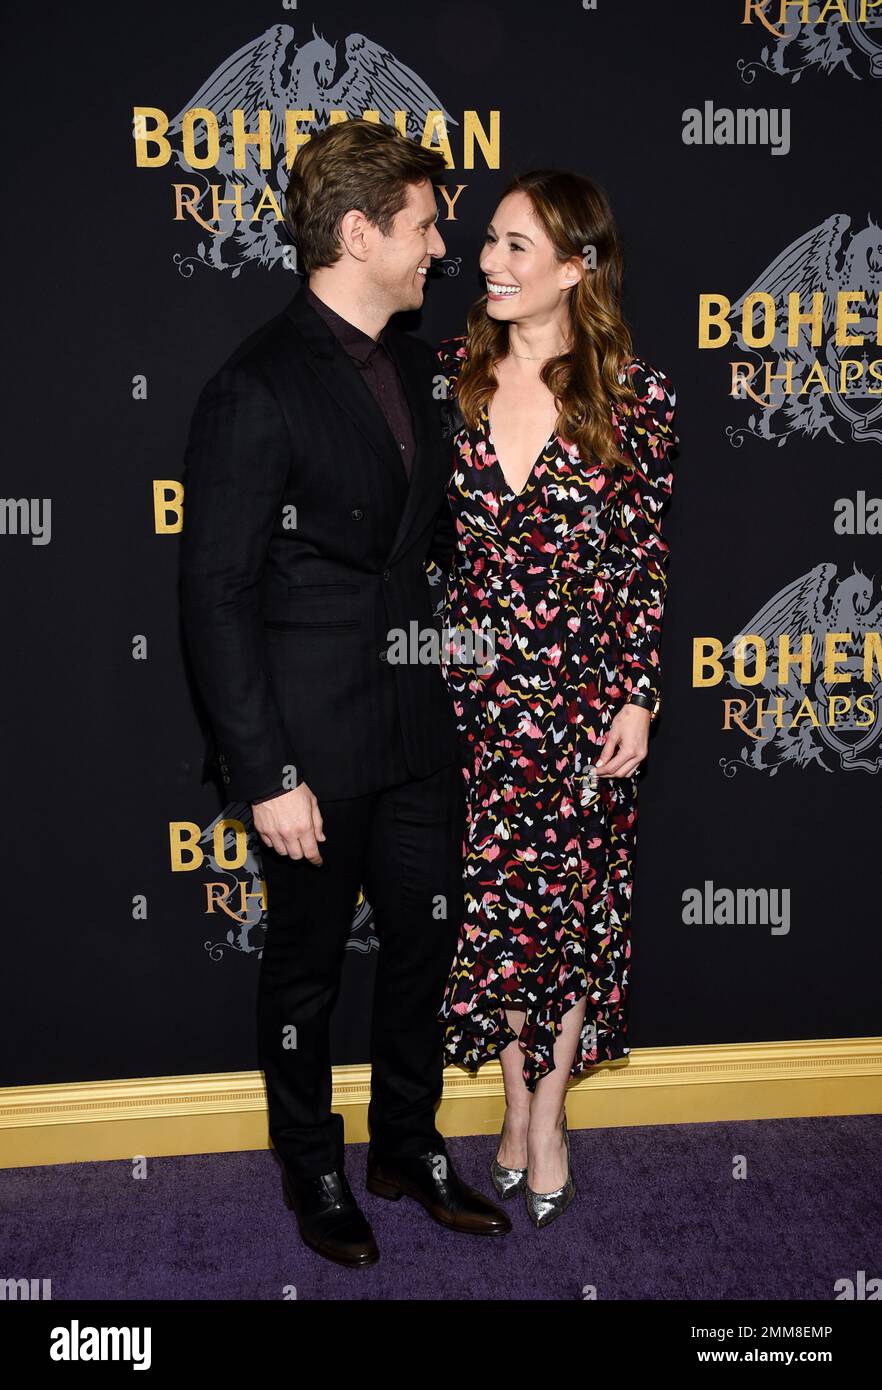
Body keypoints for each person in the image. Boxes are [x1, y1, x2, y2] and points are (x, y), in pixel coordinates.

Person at [179, 120, 510, 1269]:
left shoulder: (418, 368)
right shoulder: (255, 386)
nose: (441, 248)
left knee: (425, 946)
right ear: (359, 231)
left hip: (419, 727)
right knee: (307, 973)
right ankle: (312, 1163)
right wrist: (264, 772)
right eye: (425, 226)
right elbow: (215, 595)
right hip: (308, 748)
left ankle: (405, 1147)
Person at [435, 169, 679, 1228]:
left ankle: (546, 1117)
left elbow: (643, 561)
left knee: (574, 910)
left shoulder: (640, 397)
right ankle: (509, 1090)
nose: (489, 260)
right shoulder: (451, 379)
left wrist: (638, 694)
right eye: (488, 239)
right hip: (475, 700)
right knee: (495, 913)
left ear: (577, 267)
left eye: (518, 246)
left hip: (584, 700)